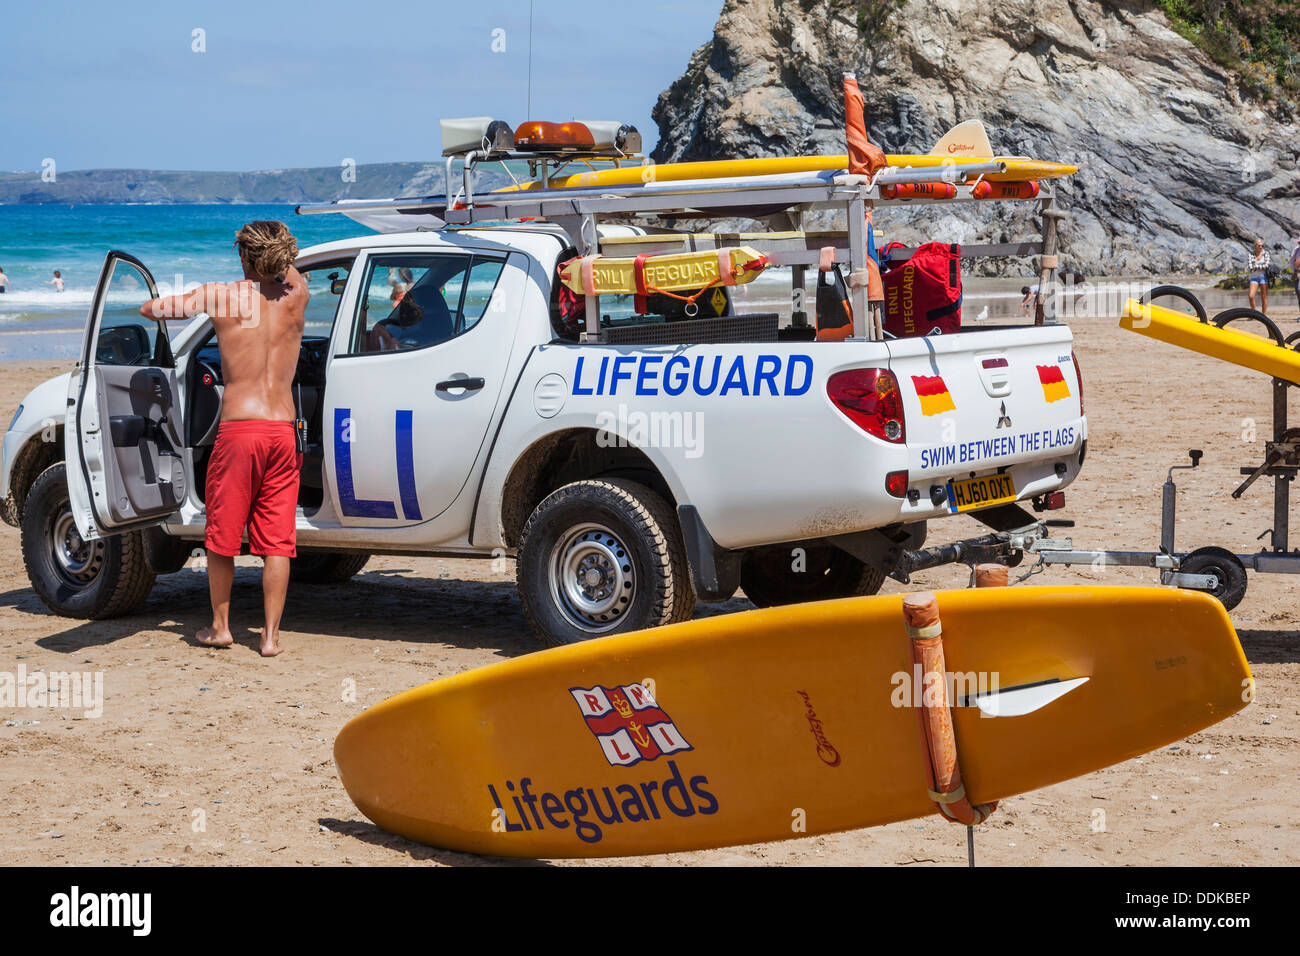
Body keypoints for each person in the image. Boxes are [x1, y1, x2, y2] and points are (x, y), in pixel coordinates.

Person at [139, 221, 307, 657]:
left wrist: (190, 295)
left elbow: (151, 310)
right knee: (277, 540)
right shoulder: (298, 294)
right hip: (283, 431)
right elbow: (288, 272)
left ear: (243, 257)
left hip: (240, 430)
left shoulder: (223, 296)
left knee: (222, 535)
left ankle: (221, 627)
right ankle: (269, 638)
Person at [1247, 239, 1270, 314]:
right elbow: (1250, 267)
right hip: (1254, 278)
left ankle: (1263, 314)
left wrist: (1255, 266)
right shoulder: (1251, 254)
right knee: (1251, 296)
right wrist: (1261, 265)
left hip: (1263, 277)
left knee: (1264, 297)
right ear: (1255, 246)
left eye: (1262, 245)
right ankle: (1254, 313)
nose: (1260, 247)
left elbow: (1266, 266)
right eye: (1259, 245)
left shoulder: (1266, 254)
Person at [1290, 238, 1300, 315]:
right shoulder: (1296, 250)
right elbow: (1292, 261)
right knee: (1298, 296)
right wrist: (1293, 272)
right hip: (1297, 275)